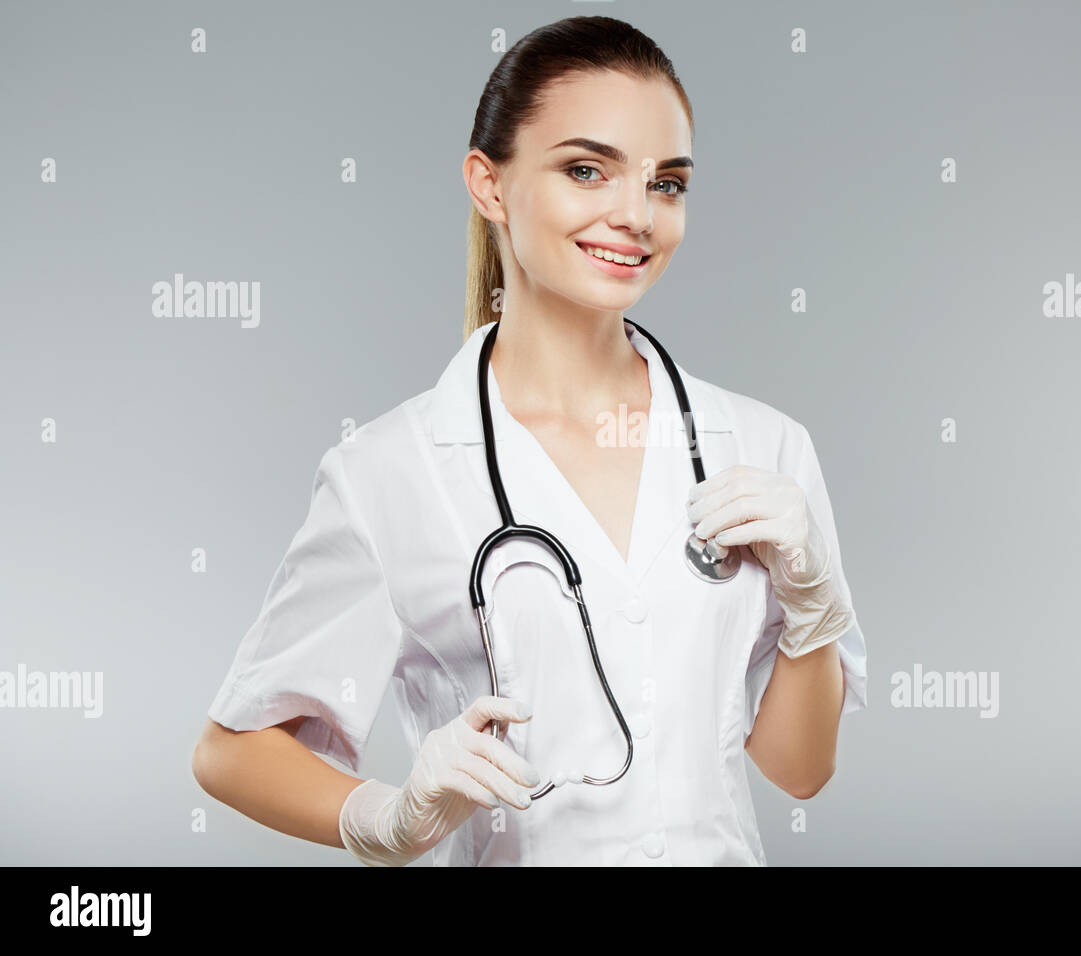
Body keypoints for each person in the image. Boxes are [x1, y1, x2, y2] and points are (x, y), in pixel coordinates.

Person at [191, 15, 866, 866]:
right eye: (587, 170)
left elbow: (799, 772)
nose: (636, 216)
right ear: (489, 185)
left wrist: (814, 612)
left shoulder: (763, 447)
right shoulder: (389, 476)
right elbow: (230, 749)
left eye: (667, 183)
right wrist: (390, 819)